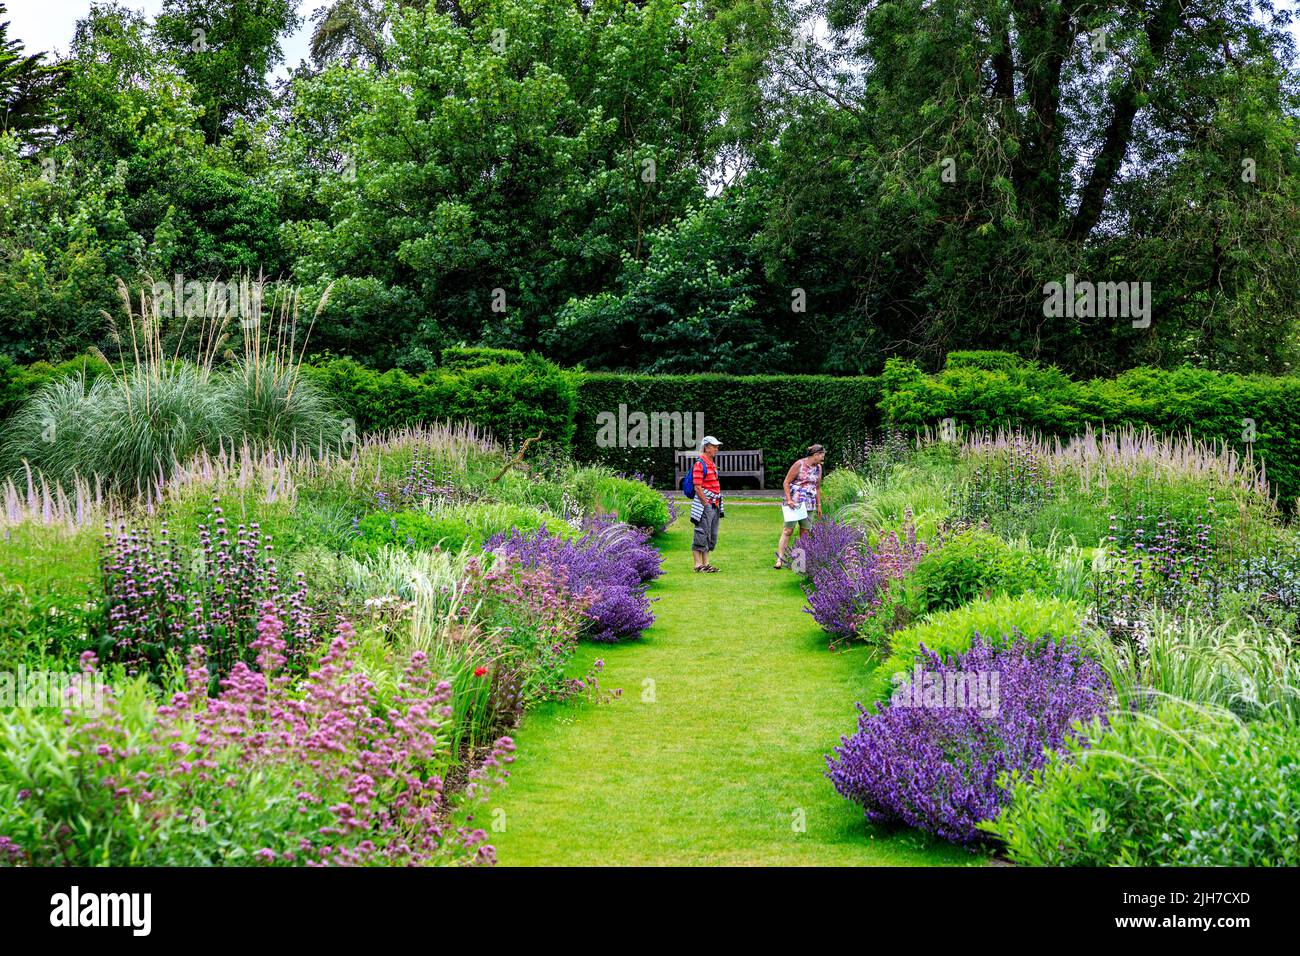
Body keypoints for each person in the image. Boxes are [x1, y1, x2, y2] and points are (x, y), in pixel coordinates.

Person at [775, 443, 826, 569]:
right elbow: (786, 482)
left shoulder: (819, 467)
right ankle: (779, 559)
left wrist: (819, 505)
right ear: (815, 455)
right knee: (788, 530)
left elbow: (817, 487)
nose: (823, 458)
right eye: (822, 455)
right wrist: (789, 500)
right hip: (795, 502)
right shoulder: (799, 464)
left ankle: (799, 563)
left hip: (809, 503)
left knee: (804, 532)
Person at [691, 436, 724, 573]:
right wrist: (705, 503)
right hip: (705, 505)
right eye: (714, 446)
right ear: (706, 447)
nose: (717, 448)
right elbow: (697, 487)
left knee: (710, 534)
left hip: (714, 503)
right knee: (701, 533)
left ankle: (706, 564)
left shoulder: (710, 463)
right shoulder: (700, 464)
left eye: (717, 446)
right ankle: (698, 565)